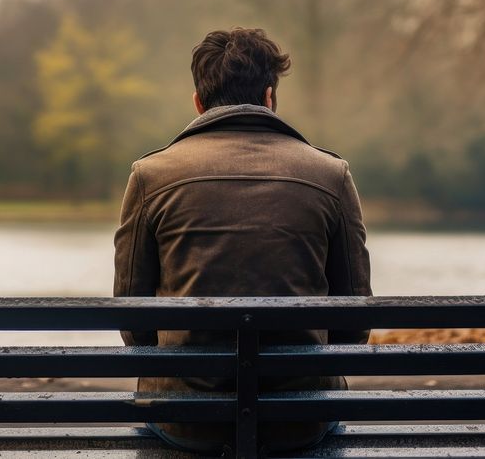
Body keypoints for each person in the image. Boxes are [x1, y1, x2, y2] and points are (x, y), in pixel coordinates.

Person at [113, 27, 372, 454]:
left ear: (198, 103)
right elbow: (353, 324)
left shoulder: (150, 176)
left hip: (187, 423)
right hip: (298, 424)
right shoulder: (331, 175)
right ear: (270, 96)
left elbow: (133, 322)